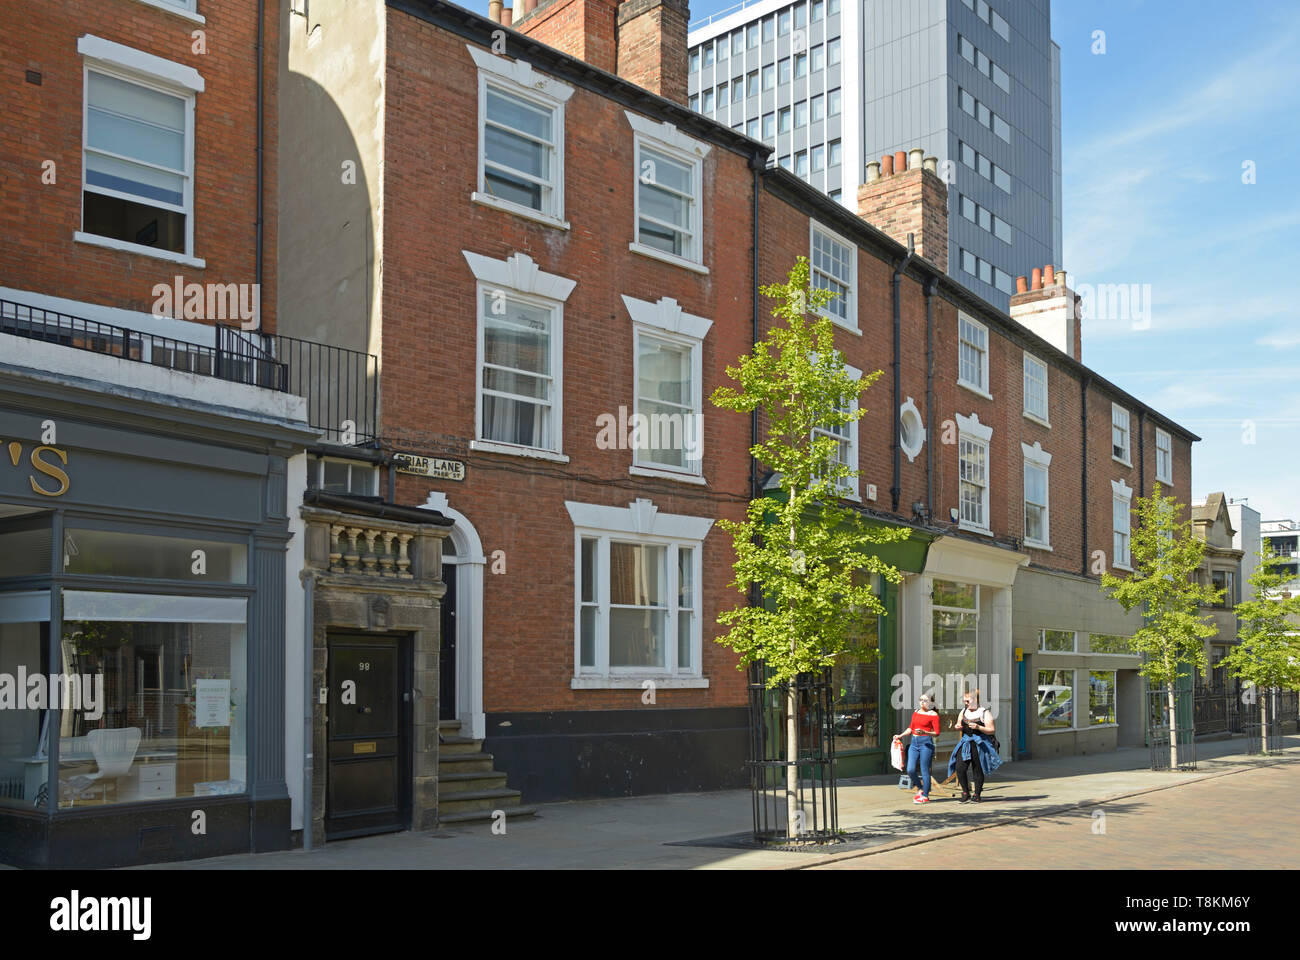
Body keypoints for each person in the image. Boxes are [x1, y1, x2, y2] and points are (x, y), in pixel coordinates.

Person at [946, 688, 1002, 803]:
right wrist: (958, 726)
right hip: (966, 742)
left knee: (977, 769)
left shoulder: (984, 712)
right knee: (960, 768)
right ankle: (965, 792)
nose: (965, 703)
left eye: (967, 701)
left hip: (979, 743)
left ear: (976, 700)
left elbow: (991, 730)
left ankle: (977, 794)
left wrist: (978, 727)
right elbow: (958, 723)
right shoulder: (964, 711)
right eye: (964, 700)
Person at [893, 693, 941, 803]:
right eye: (921, 699)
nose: (922, 702)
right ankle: (920, 788)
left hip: (926, 743)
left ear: (931, 703)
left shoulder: (933, 714)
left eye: (925, 700)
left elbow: (937, 733)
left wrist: (925, 732)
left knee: (925, 770)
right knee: (910, 769)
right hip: (914, 743)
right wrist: (900, 735)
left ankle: (925, 795)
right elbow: (911, 728)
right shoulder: (916, 712)